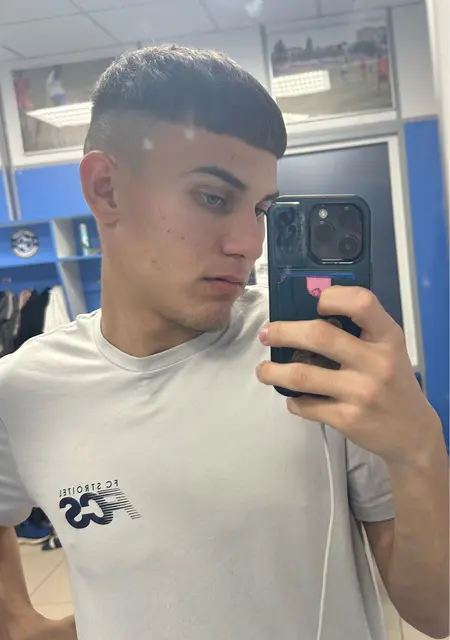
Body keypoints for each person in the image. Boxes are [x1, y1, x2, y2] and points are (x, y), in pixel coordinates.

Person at [0, 45, 448, 640]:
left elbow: (438, 612)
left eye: (263, 210)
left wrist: (420, 449)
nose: (249, 244)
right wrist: (21, 621)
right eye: (213, 197)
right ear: (106, 189)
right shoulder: (25, 391)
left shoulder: (317, 357)